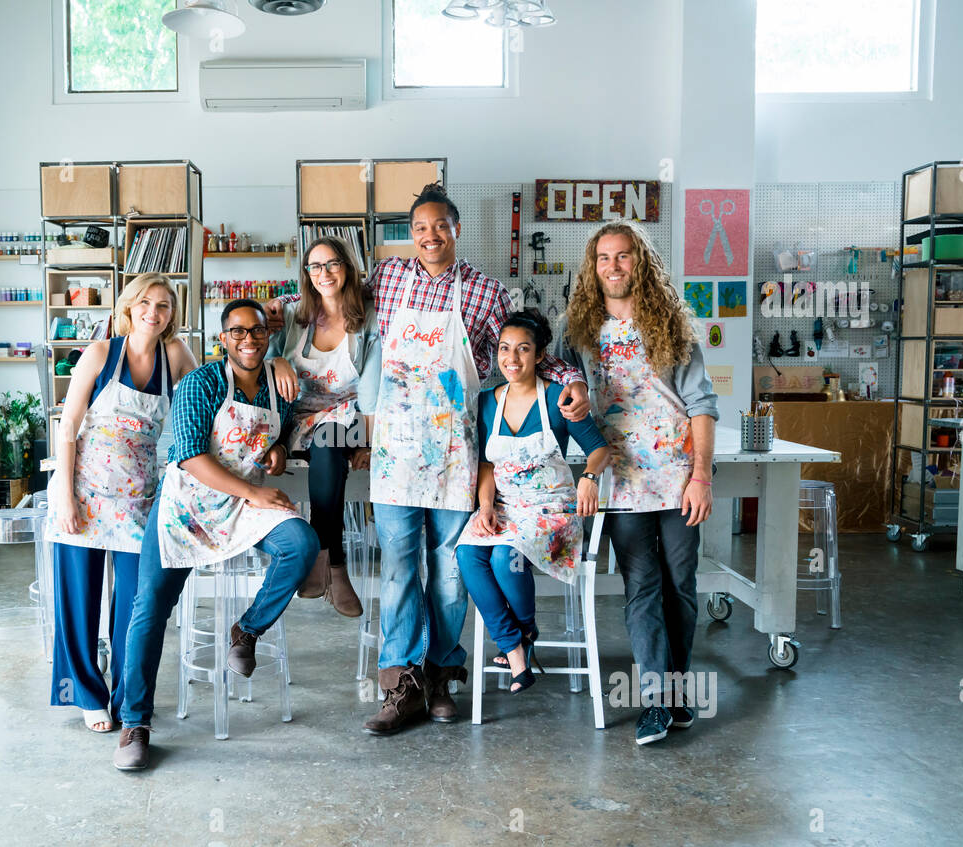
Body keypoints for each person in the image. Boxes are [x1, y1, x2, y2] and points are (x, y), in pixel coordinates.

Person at [268, 183, 593, 734]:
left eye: (440, 226)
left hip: (453, 450)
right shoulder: (387, 279)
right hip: (395, 449)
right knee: (398, 570)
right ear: (410, 235)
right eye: (419, 228)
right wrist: (273, 328)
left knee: (447, 571)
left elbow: (530, 348)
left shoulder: (487, 292)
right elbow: (324, 289)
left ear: (456, 229)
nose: (430, 236)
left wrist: (574, 380)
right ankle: (401, 685)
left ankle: (442, 676)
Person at [114, 299, 319, 770]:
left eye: (258, 330)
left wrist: (282, 449)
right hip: (186, 507)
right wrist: (255, 490)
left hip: (242, 505)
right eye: (238, 331)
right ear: (222, 339)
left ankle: (245, 632)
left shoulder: (280, 387)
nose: (249, 339)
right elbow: (188, 455)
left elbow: (285, 429)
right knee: (149, 608)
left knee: (301, 544)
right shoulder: (200, 384)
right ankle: (135, 723)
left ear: (270, 334)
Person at [559, 221, 718, 745]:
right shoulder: (582, 329)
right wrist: (575, 388)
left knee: (680, 586)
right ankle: (656, 702)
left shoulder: (671, 325)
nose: (613, 266)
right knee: (642, 588)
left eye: (623, 256)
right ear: (593, 267)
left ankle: (677, 691)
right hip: (621, 480)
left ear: (640, 263)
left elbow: (701, 406)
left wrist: (701, 477)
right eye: (604, 258)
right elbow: (560, 371)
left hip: (676, 477)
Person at [46, 273, 197, 733]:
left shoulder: (176, 355)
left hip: (140, 501)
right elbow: (68, 424)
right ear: (129, 308)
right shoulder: (99, 353)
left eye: (165, 305)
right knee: (79, 599)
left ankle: (129, 697)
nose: (154, 312)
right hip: (85, 493)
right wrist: (65, 494)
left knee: (137, 604)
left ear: (173, 313)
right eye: (146, 303)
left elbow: (202, 404)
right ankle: (86, 694)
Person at [456, 311, 611, 694]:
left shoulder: (560, 399)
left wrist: (590, 479)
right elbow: (486, 464)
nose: (512, 358)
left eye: (523, 349)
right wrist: (486, 506)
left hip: (552, 510)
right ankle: (516, 644)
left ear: (540, 355)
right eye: (505, 349)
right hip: (507, 508)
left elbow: (598, 449)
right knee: (467, 553)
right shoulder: (487, 402)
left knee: (504, 557)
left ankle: (519, 638)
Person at [268, 236, 381, 617]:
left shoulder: (368, 317)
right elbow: (261, 349)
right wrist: (278, 362)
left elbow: (371, 386)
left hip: (347, 420)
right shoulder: (292, 316)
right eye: (314, 266)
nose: (324, 273)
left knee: (329, 442)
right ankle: (334, 564)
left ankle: (326, 559)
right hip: (296, 420)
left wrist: (368, 442)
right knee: (320, 439)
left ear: (347, 267)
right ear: (306, 274)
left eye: (332, 263)